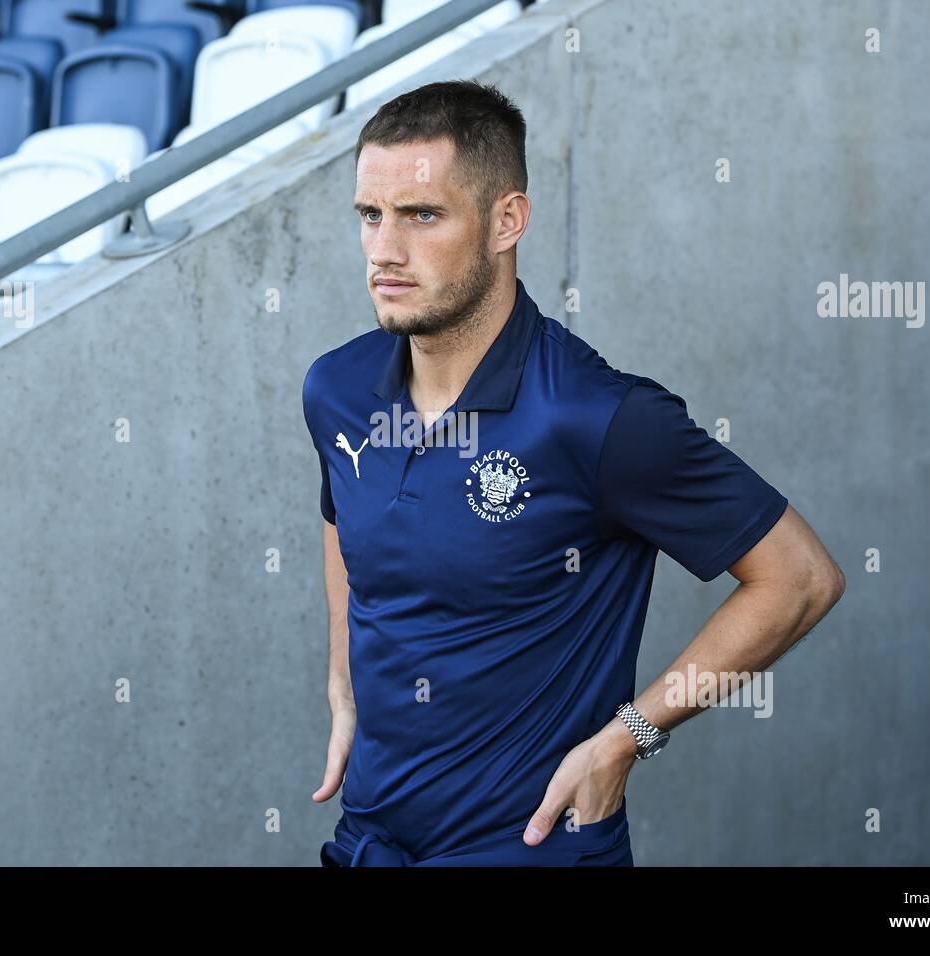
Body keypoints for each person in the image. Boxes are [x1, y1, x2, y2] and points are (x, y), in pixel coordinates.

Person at [302, 80, 844, 866]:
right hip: (370, 841)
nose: (385, 249)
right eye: (369, 215)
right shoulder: (338, 389)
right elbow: (341, 516)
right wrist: (341, 679)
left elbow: (799, 579)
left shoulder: (599, 418)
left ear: (505, 221)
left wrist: (630, 738)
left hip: (530, 849)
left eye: (422, 215)